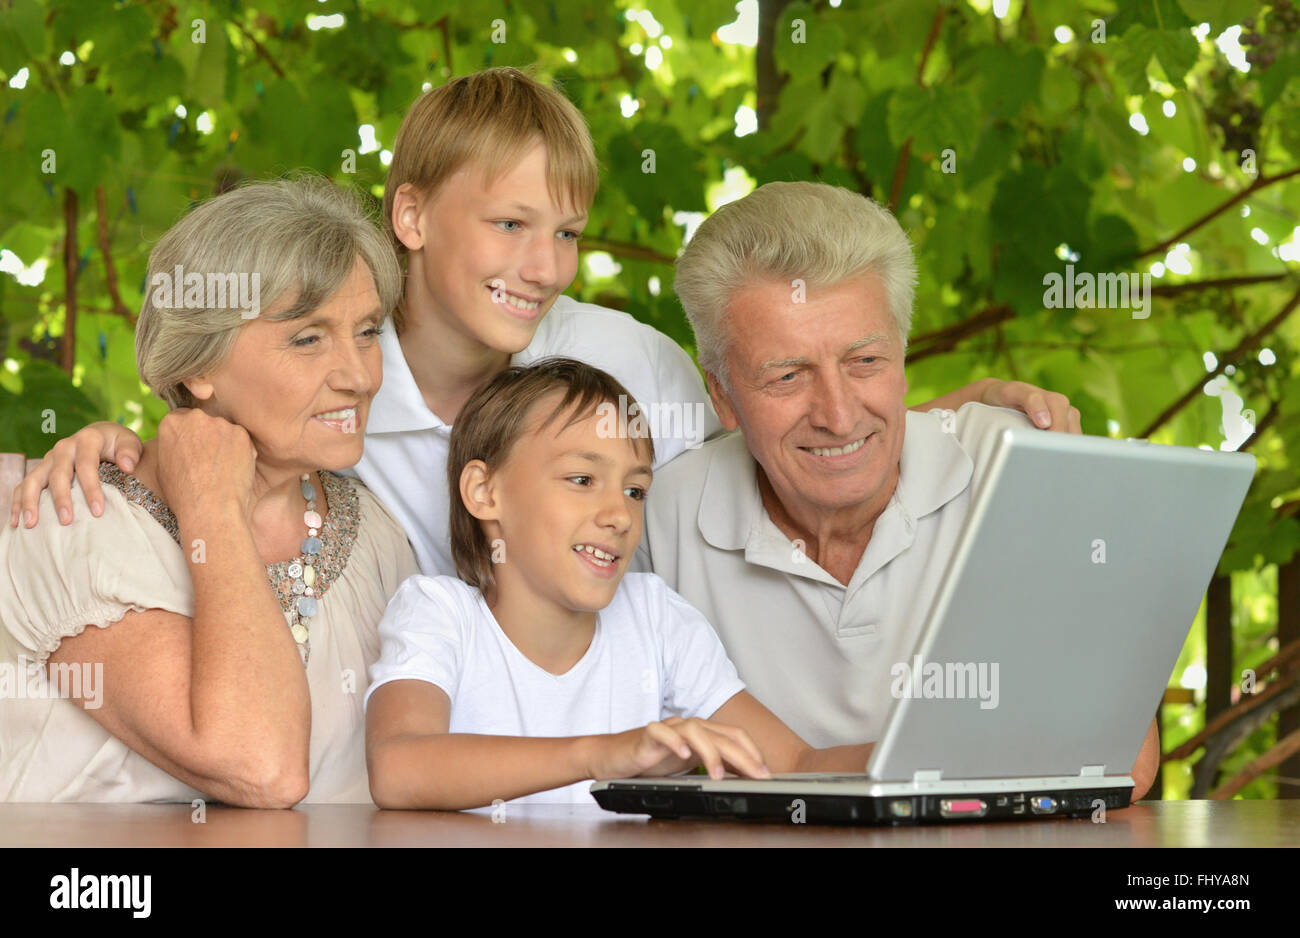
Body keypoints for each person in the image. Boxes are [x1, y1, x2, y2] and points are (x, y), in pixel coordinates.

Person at [11, 68, 1077, 579]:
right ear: (413, 213)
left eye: (565, 232)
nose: (542, 266)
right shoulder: (329, 374)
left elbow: (774, 460)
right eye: (511, 223)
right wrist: (112, 442)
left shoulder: (621, 360)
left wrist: (937, 415)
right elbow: (209, 433)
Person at [636, 180, 1160, 800]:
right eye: (787, 375)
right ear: (721, 394)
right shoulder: (659, 517)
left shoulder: (1017, 467)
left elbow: (1120, 757)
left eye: (865, 363)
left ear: (904, 358)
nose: (838, 413)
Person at [0, 177, 419, 805]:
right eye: (307, 338)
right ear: (199, 364)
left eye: (366, 331)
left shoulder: (376, 537)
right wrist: (215, 509)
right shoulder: (79, 525)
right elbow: (259, 765)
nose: (359, 376)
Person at [364, 358, 874, 809]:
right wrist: (606, 753)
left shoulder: (654, 617)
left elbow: (793, 762)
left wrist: (924, 757)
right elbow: (398, 769)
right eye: (582, 480)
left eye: (635, 490)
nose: (619, 515)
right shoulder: (438, 613)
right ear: (484, 491)